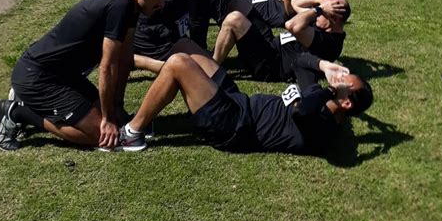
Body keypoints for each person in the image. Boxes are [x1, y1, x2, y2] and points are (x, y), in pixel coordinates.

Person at [0, 0, 174, 152]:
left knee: (110, 121)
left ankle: (31, 100)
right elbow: (108, 66)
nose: (161, 4)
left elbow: (125, 60)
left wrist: (116, 108)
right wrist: (108, 119)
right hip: (38, 76)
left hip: (62, 76)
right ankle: (18, 112)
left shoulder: (131, 5)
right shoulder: (121, 6)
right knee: (101, 136)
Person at [116, 43, 373, 153]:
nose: (338, 78)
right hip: (239, 101)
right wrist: (325, 66)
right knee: (187, 49)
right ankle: (168, 95)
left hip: (234, 126)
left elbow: (302, 111)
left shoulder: (324, 126)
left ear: (347, 101)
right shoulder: (319, 96)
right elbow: (300, 62)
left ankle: (131, 132)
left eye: (344, 82)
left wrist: (326, 89)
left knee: (178, 63)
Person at [213, 0, 350, 82]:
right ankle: (218, 49)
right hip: (270, 45)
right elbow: (295, 2)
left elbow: (291, 25)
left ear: (334, 18)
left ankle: (211, 68)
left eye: (324, 12)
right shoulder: (322, 24)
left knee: (235, 19)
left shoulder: (330, 43)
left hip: (270, 64)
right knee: (239, 2)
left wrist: (319, 10)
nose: (318, 12)